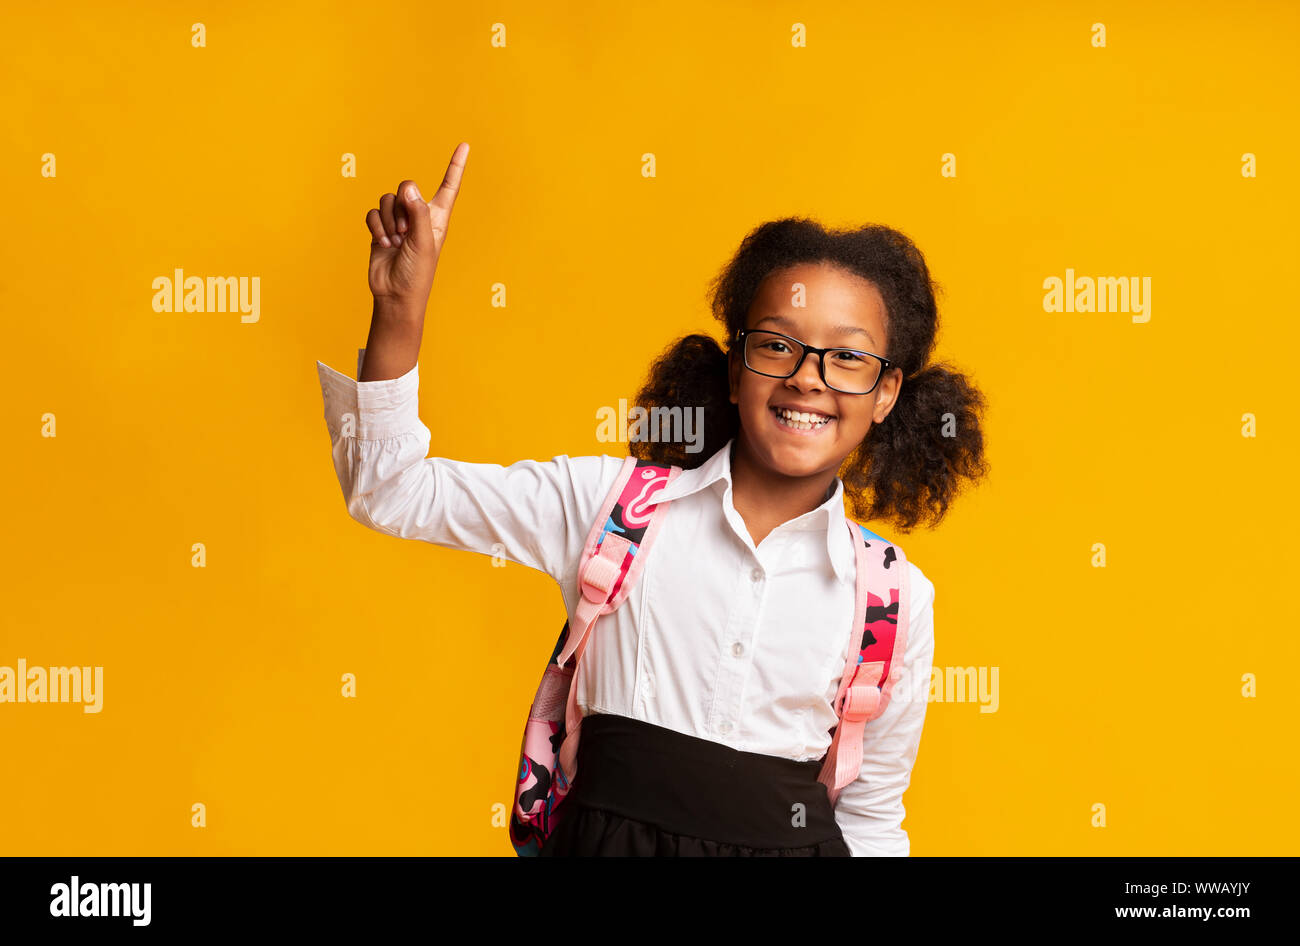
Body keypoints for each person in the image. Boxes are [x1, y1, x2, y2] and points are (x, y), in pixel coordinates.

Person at [316, 142, 990, 856]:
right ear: (735, 370)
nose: (808, 379)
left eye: (849, 357)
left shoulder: (894, 598)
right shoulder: (610, 509)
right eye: (776, 346)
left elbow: (872, 821)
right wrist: (398, 311)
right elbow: (390, 489)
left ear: (887, 394)